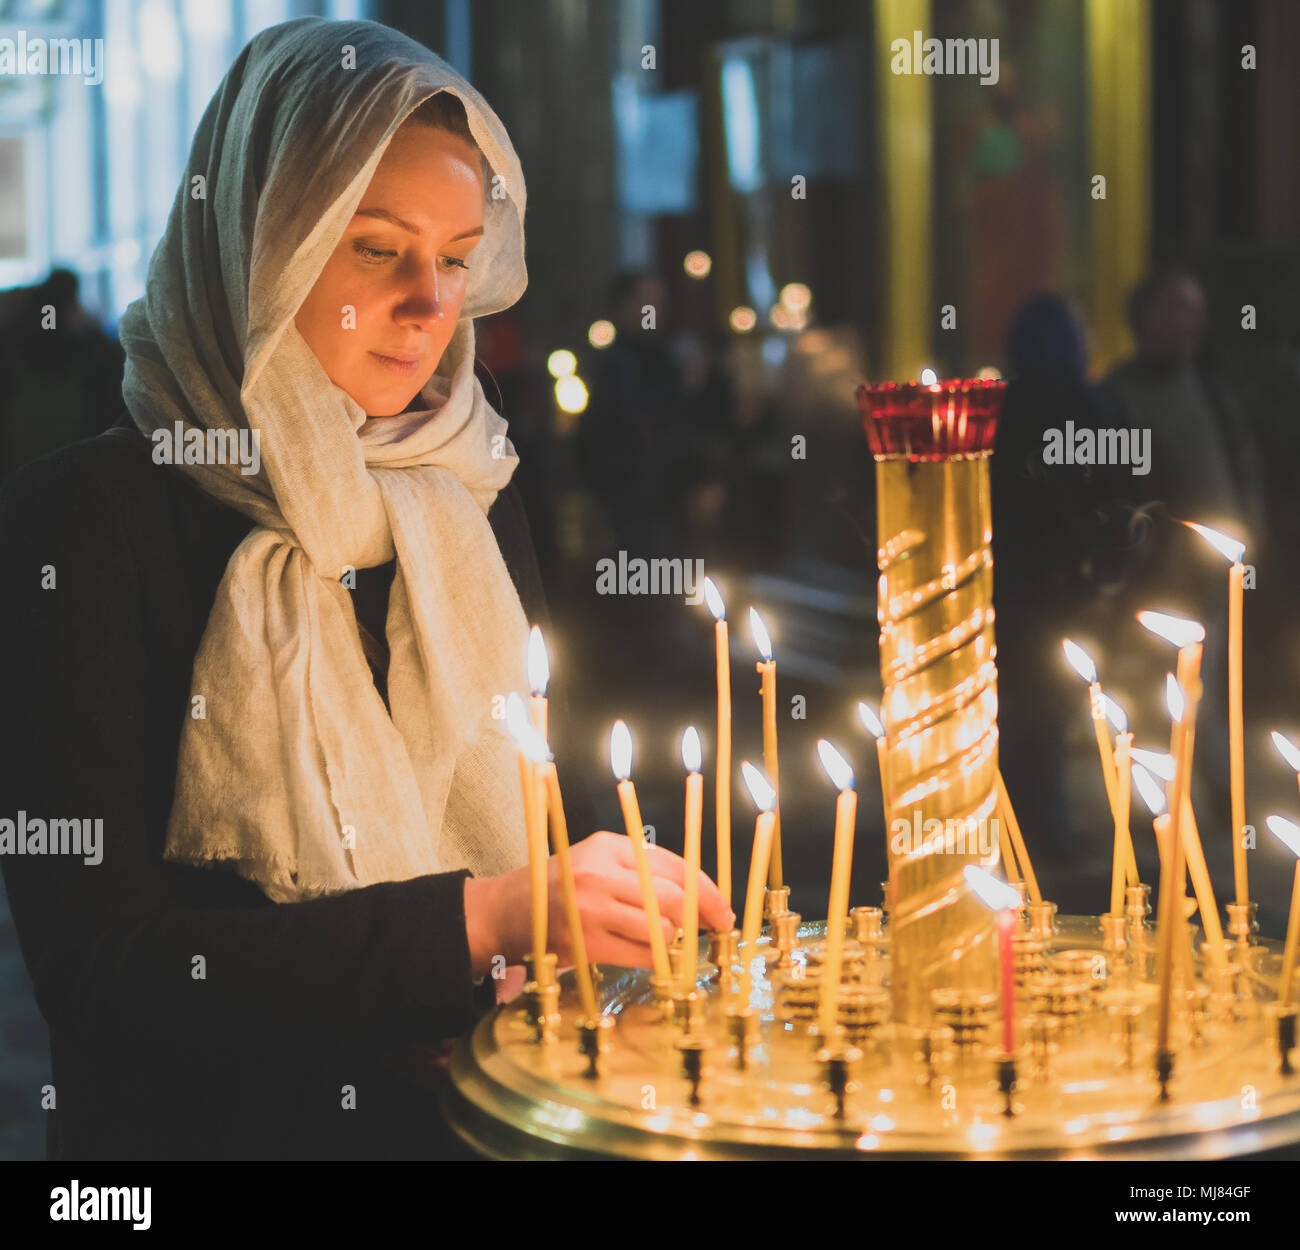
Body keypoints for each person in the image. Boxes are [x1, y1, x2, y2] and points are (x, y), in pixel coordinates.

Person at [0, 17, 730, 1162]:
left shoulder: (470, 490)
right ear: (260, 243)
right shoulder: (90, 518)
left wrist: (539, 951)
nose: (431, 304)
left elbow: (533, 813)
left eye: (456, 255)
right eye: (377, 247)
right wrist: (475, 921)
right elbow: (103, 971)